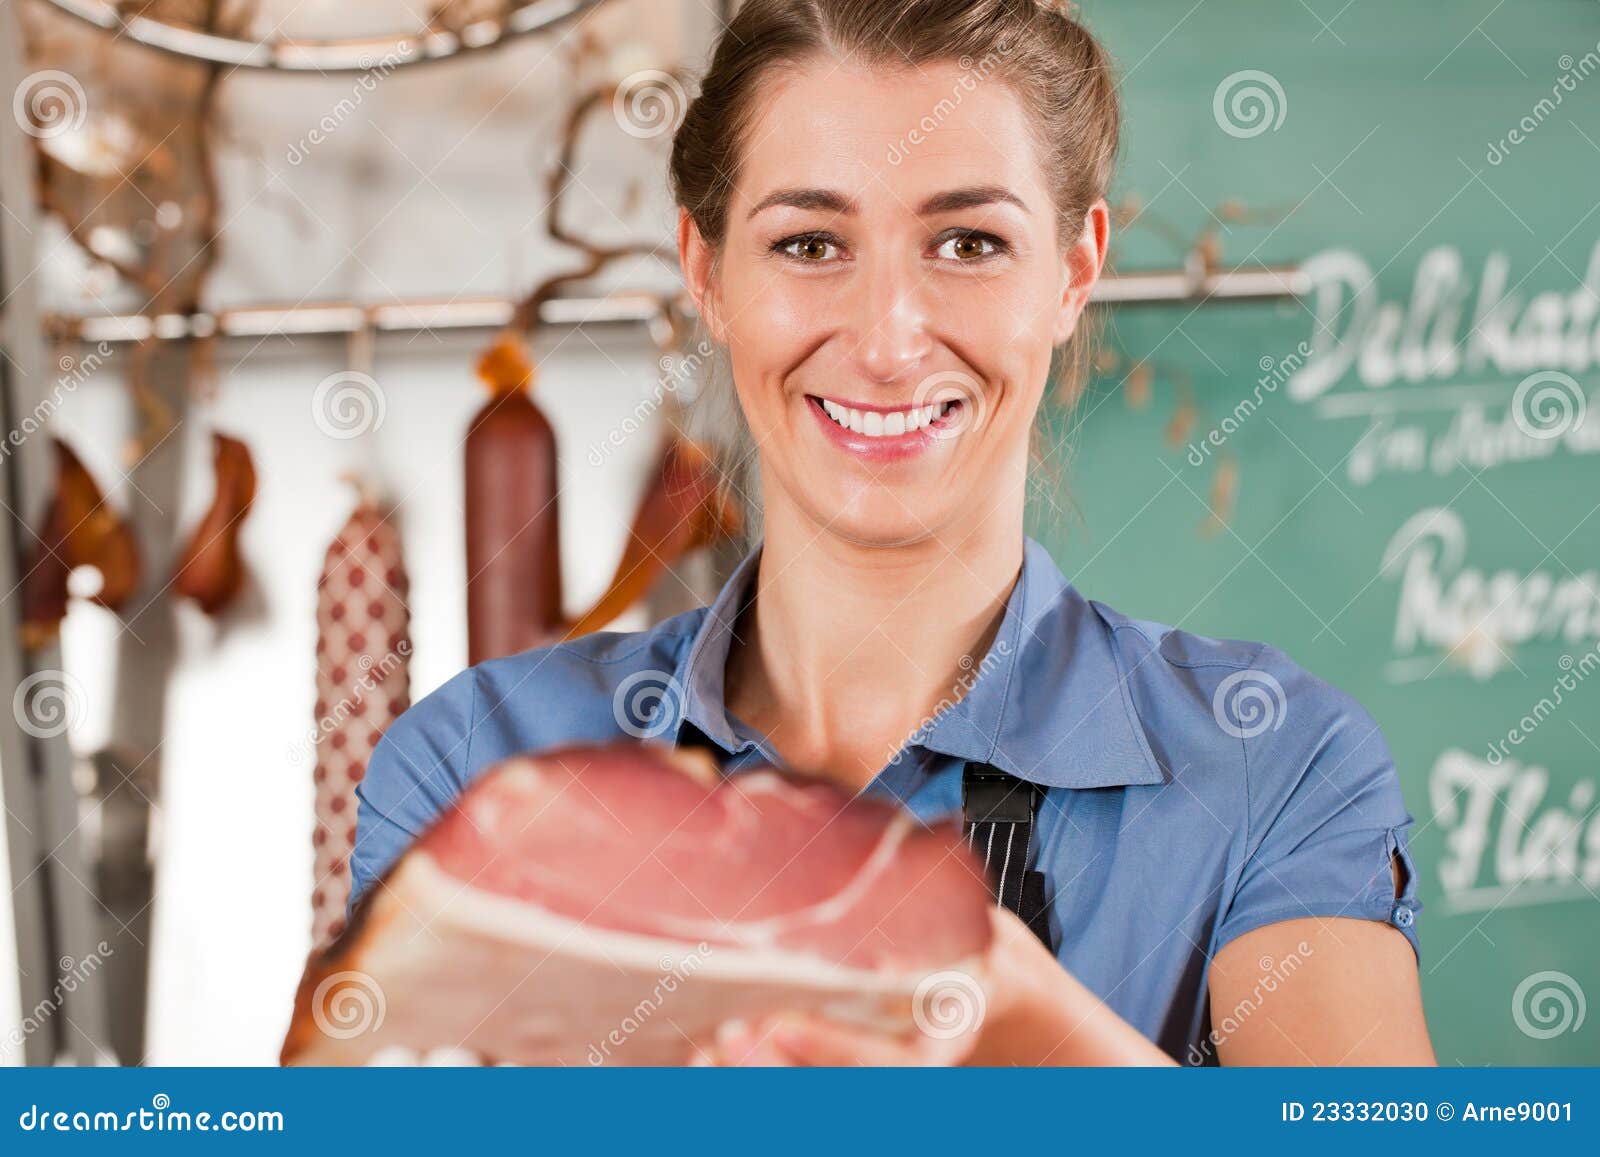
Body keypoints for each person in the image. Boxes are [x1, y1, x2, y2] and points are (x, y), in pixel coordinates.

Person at [351, 0, 1435, 1066]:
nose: (885, 339)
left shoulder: (1271, 766)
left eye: (967, 242)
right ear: (705, 270)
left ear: (1074, 268)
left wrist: (1034, 1036)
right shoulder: (475, 765)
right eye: (810, 242)